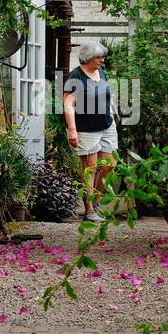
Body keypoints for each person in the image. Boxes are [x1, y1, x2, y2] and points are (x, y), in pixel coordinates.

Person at [63, 41, 117, 221]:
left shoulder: (101, 72)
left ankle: (96, 201)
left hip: (106, 126)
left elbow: (106, 96)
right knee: (90, 168)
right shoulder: (75, 77)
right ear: (87, 58)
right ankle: (89, 210)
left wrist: (112, 113)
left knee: (110, 165)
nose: (102, 60)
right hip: (86, 129)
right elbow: (68, 105)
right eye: (98, 57)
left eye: (102, 57)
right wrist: (72, 130)